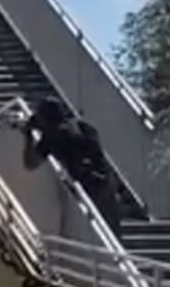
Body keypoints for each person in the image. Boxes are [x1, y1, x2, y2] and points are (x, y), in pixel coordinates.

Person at [22, 97, 121, 232]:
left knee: (92, 232)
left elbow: (30, 163)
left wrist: (28, 136)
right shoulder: (83, 127)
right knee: (111, 233)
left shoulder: (52, 136)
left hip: (88, 188)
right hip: (106, 182)